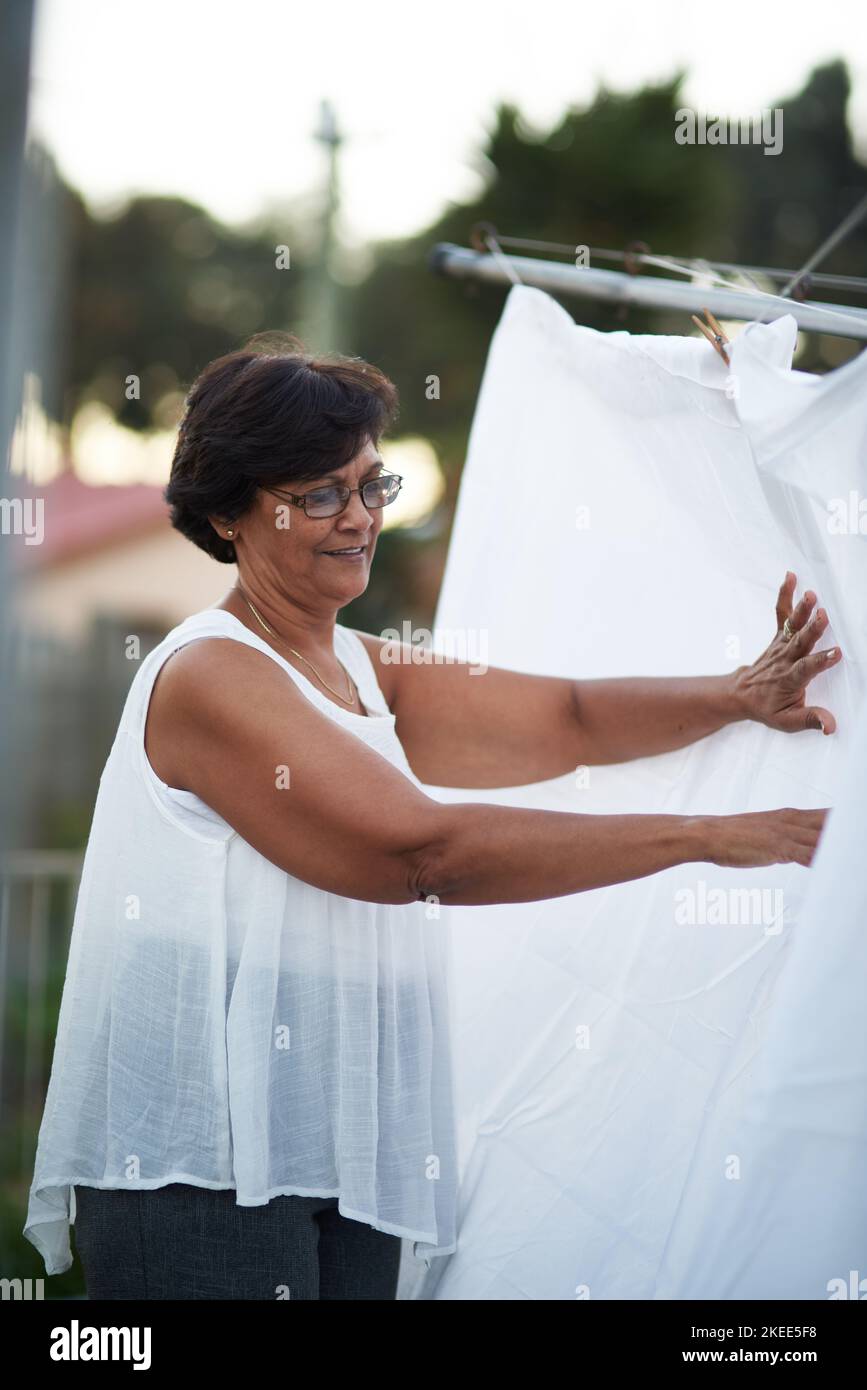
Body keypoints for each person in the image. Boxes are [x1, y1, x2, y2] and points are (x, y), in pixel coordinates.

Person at [25, 332, 838, 1300]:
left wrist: (738, 695)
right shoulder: (212, 672)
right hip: (203, 1162)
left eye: (373, 485)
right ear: (228, 515)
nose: (359, 518)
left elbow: (566, 718)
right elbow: (424, 852)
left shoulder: (359, 666)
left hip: (336, 1144)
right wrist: (709, 836)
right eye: (319, 494)